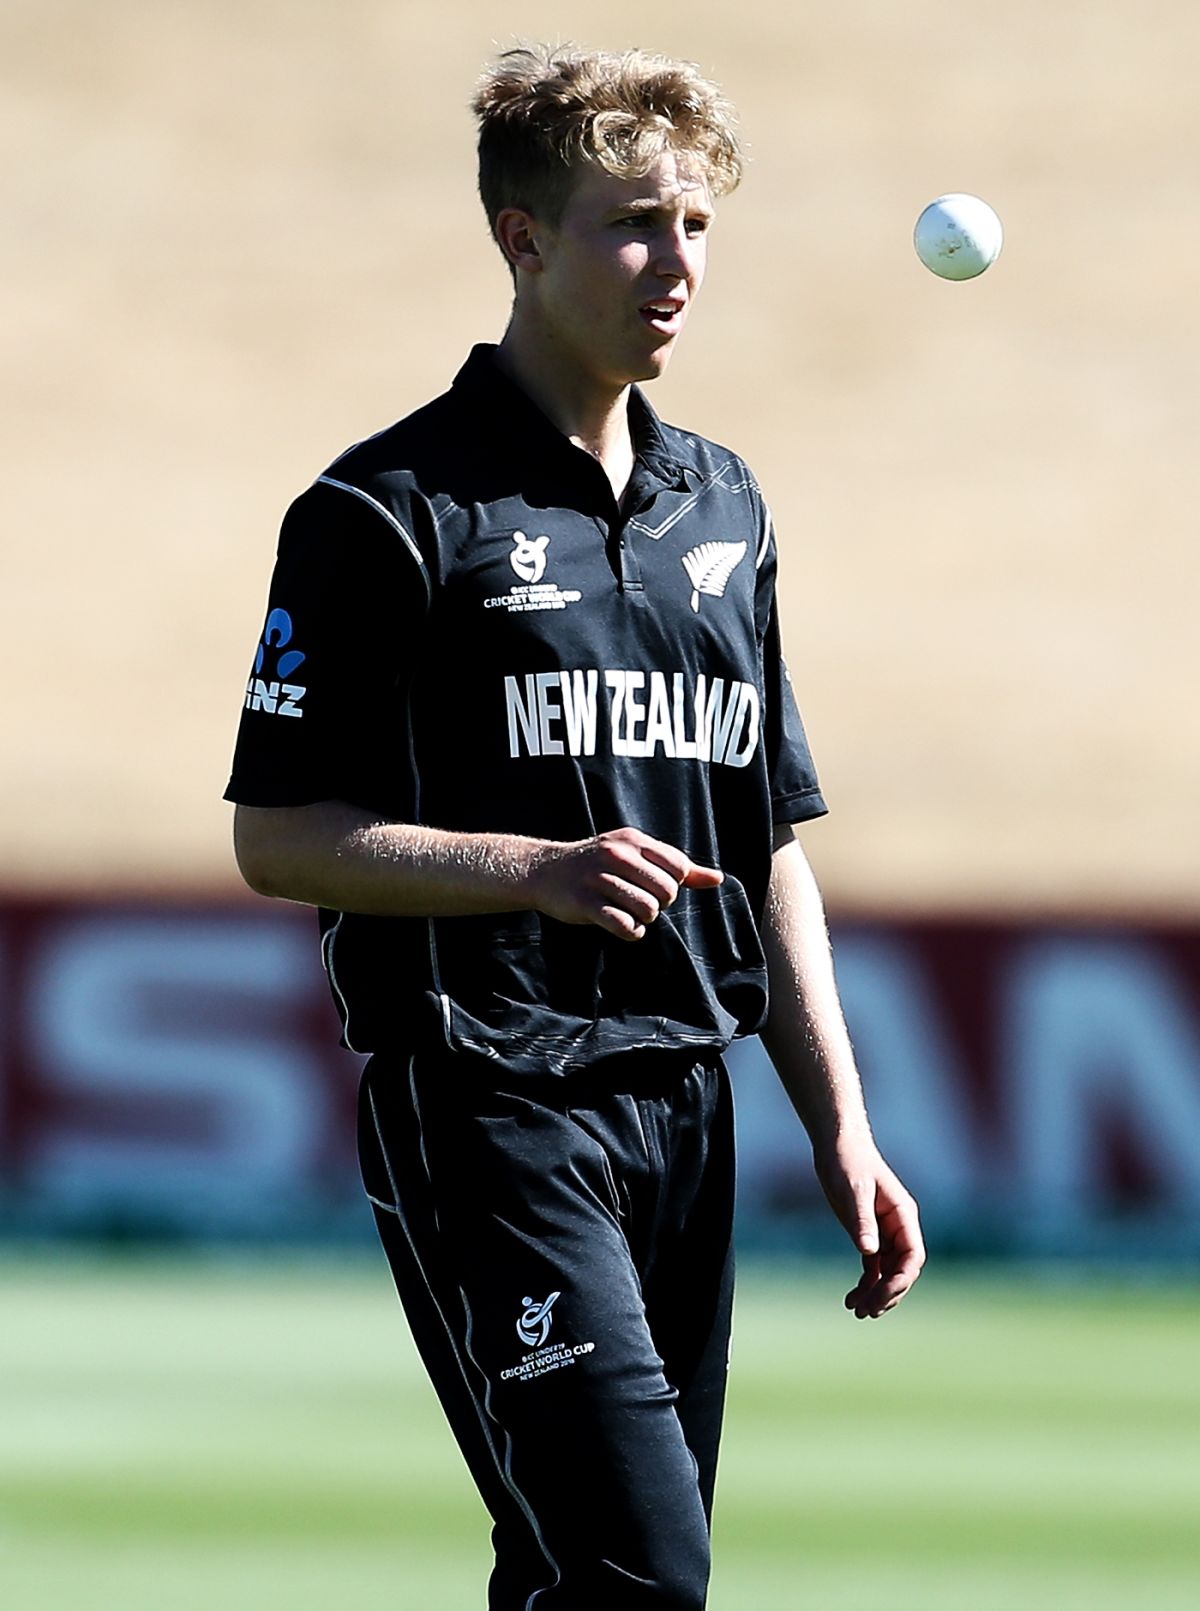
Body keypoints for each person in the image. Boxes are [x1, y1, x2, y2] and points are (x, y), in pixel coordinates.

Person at [225, 43, 924, 1610]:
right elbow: (276, 837)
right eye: (629, 225)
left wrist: (842, 1122)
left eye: (694, 225)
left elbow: (768, 849)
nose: (674, 266)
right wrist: (531, 874)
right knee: (637, 1578)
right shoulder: (386, 511)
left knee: (568, 1582)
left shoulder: (725, 506)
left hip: (686, 1104)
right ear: (521, 240)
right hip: (489, 1101)